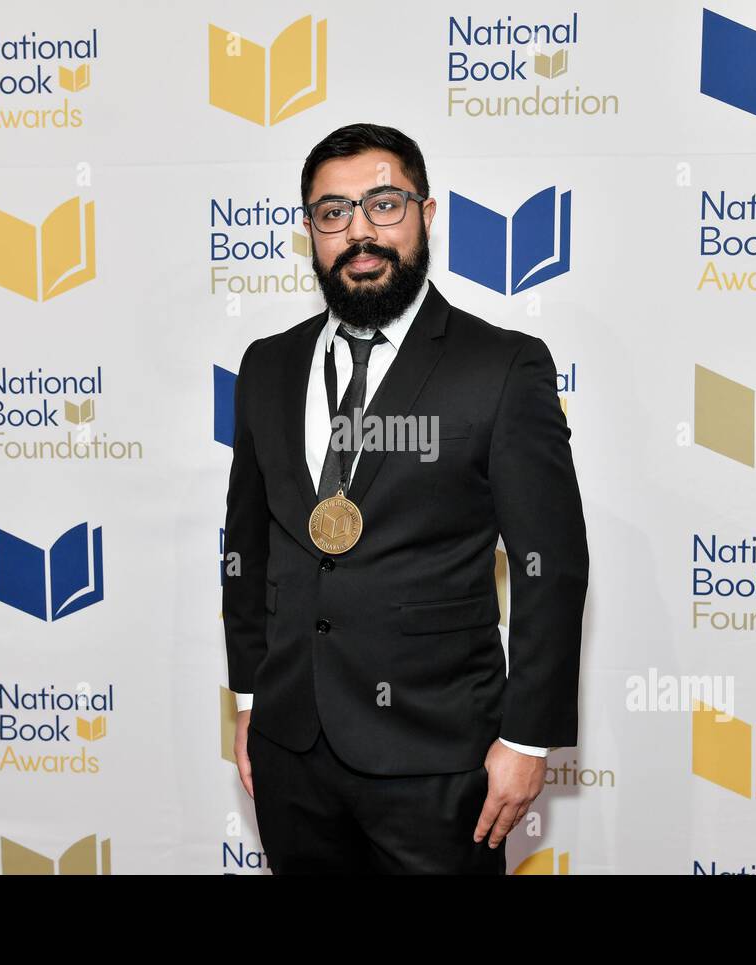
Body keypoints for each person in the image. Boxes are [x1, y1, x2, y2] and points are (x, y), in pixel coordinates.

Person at [222, 123, 588, 874]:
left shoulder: (503, 366)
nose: (359, 232)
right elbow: (246, 548)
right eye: (333, 212)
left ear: (426, 214)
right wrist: (252, 698)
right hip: (291, 750)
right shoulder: (267, 365)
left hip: (439, 757)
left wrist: (527, 738)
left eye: (383, 204)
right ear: (310, 230)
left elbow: (551, 564)